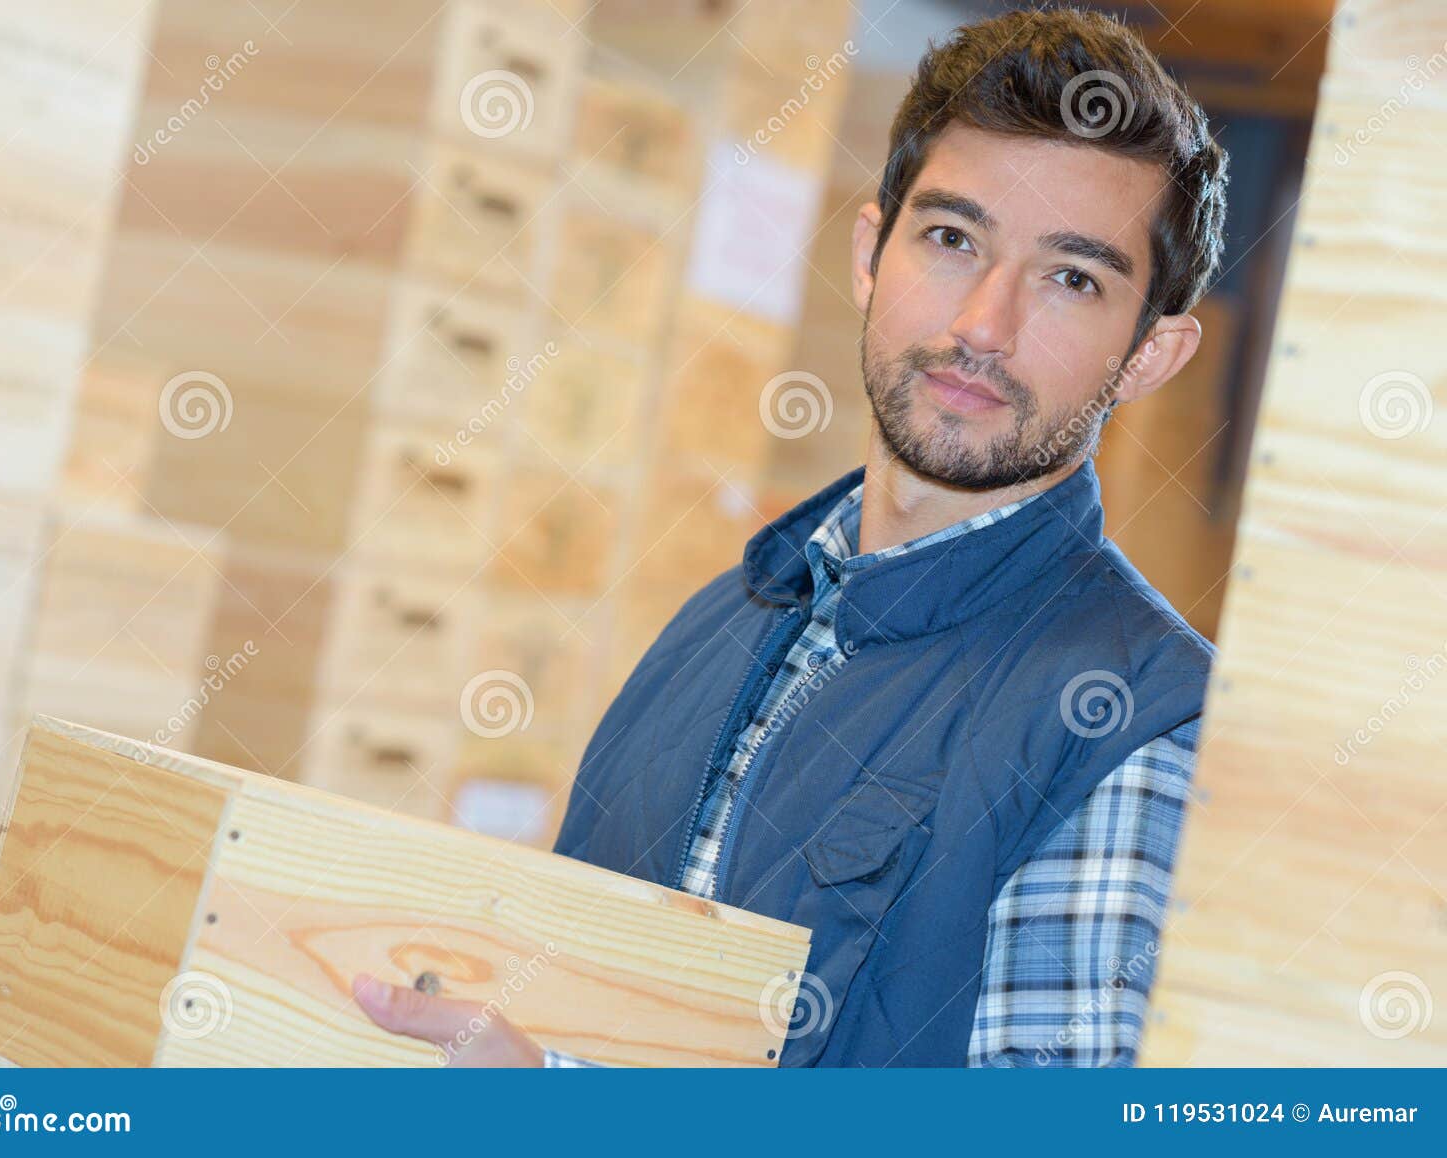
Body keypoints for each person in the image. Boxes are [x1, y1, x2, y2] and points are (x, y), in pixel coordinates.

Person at [354, 4, 1228, 1067]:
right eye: (952, 240)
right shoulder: (715, 626)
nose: (982, 327)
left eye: (1071, 279)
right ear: (870, 255)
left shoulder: (1138, 725)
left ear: (1148, 356)